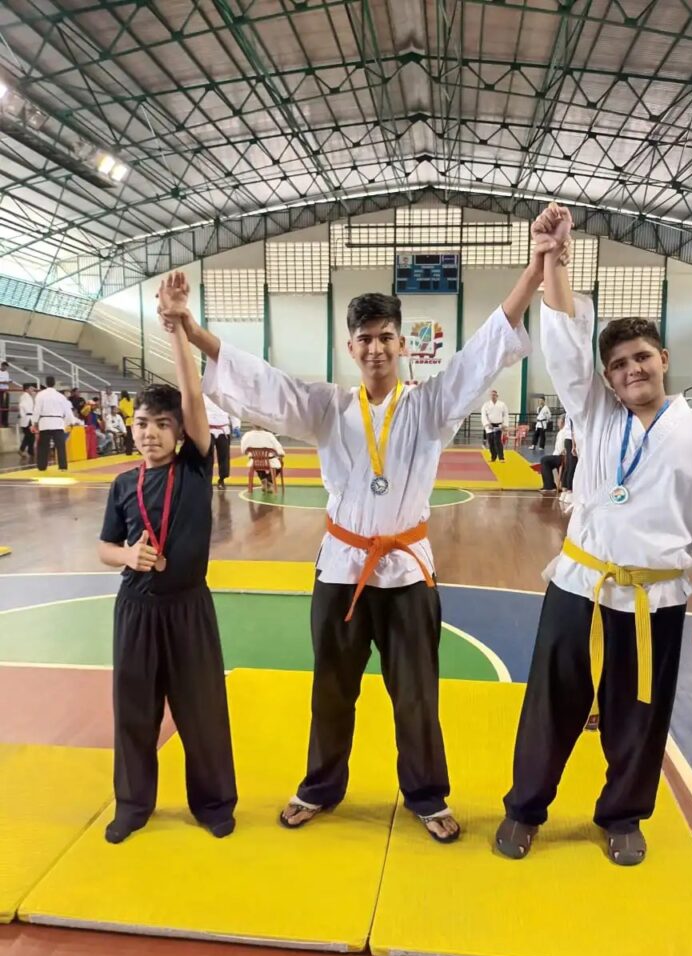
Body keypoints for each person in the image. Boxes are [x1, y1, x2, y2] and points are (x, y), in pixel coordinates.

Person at [157, 261, 540, 845]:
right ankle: (320, 786)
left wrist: (535, 270)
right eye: (365, 338)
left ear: (402, 345)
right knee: (332, 690)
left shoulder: (430, 406)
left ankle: (426, 794)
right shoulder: (328, 407)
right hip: (341, 569)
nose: (376, 348)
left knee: (416, 694)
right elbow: (264, 383)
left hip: (408, 574)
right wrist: (190, 327)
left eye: (386, 337)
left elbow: (485, 350)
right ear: (350, 347)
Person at [496, 203, 692, 867]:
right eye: (616, 364)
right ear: (608, 377)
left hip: (655, 599)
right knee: (550, 707)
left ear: (663, 359)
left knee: (638, 714)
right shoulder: (596, 414)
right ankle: (524, 808)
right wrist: (554, 259)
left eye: (640, 357)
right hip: (578, 586)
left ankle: (621, 815)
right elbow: (566, 345)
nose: (629, 370)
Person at [97, 278, 237, 845]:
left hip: (187, 609)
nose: (151, 434)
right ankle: (133, 804)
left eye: (162, 424)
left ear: (180, 433)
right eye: (142, 424)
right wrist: (128, 554)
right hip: (135, 609)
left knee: (201, 710)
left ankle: (213, 803)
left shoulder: (196, 468)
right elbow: (104, 548)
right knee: (134, 711)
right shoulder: (122, 484)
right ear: (131, 431)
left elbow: (193, 395)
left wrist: (177, 327)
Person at [32, 376, 76, 470]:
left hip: (45, 423)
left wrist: (34, 422)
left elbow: (37, 410)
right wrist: (72, 421)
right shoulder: (60, 396)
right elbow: (67, 411)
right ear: (54, 383)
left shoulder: (40, 395)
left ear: (46, 383)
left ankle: (42, 466)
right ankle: (63, 466)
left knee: (43, 445)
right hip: (57, 423)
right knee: (60, 446)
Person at [241, 425, 285, 493]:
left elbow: (243, 451)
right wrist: (281, 454)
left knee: (257, 461)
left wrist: (253, 453)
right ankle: (269, 480)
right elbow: (279, 449)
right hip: (270, 461)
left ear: (252, 425)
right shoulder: (269, 435)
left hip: (255, 461)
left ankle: (263, 478)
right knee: (280, 463)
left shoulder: (247, 435)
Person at [204, 394, 233, 490]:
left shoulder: (226, 395)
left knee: (224, 456)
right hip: (208, 429)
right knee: (207, 456)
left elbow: (233, 412)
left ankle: (222, 479)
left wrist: (237, 425)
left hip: (223, 429)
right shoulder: (203, 395)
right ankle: (207, 480)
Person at [538, 416, 568, 495]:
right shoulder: (561, 432)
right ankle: (549, 485)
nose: (557, 423)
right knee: (545, 461)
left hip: (562, 456)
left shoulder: (565, 431)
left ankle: (550, 486)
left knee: (544, 460)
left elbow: (563, 447)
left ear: (563, 422)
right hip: (558, 455)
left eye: (559, 421)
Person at [481, 389, 509, 462]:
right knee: (490, 442)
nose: (493, 396)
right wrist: (487, 423)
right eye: (491, 395)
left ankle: (501, 458)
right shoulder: (486, 405)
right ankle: (493, 457)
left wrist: (505, 424)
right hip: (489, 425)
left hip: (498, 425)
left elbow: (506, 415)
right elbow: (483, 415)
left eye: (494, 395)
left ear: (497, 396)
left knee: (497, 441)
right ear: (490, 396)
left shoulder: (502, 404)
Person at [17, 382, 37, 461]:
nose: (33, 390)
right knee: (30, 435)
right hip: (27, 418)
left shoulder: (28, 396)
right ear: (26, 389)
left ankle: (28, 451)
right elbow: (21, 406)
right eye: (31, 388)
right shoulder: (25, 396)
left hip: (29, 418)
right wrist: (23, 415)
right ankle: (26, 451)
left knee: (29, 435)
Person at [119, 390, 135, 455]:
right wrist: (132, 415)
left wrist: (125, 416)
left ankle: (129, 451)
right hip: (133, 419)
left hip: (128, 420)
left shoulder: (122, 402)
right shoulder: (132, 400)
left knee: (129, 437)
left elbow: (122, 410)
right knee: (136, 436)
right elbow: (134, 408)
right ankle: (140, 450)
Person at [0, 361, 11, 427]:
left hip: (6, 390)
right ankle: (1, 422)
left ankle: (5, 422)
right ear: (2, 366)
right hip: (0, 390)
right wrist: (3, 382)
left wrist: (9, 381)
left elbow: (8, 380)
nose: (5, 368)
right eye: (4, 367)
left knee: (6, 407)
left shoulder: (7, 372)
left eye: (6, 367)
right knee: (1, 406)